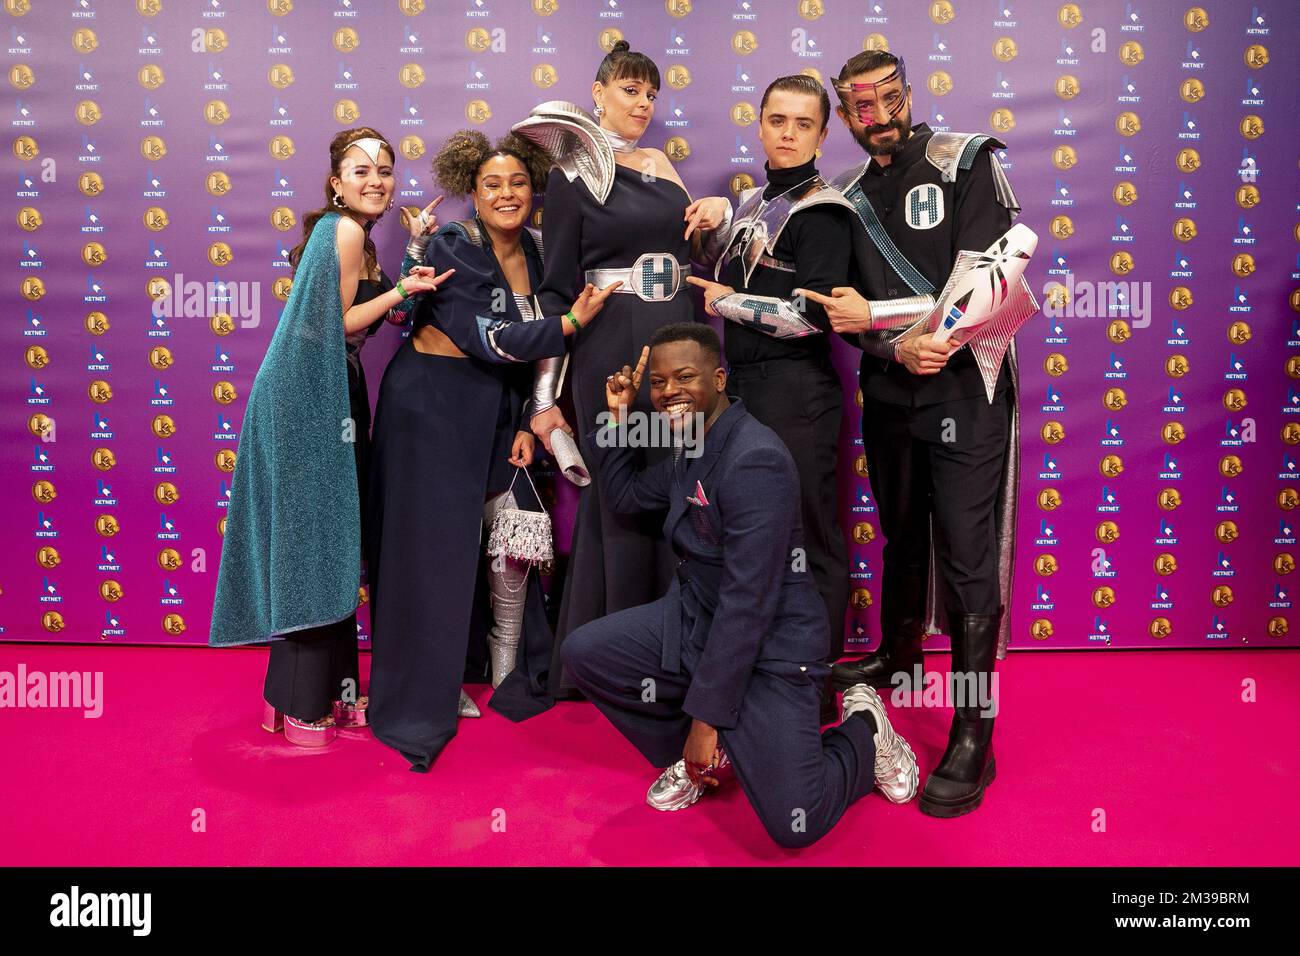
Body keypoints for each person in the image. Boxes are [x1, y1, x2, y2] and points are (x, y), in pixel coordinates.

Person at [561, 324, 918, 849]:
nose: (668, 393)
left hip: (770, 648)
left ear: (720, 377)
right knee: (585, 651)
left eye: (685, 377)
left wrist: (706, 718)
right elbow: (628, 496)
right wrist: (616, 417)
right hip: (696, 620)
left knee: (796, 819)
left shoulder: (755, 458)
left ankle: (867, 731)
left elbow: (748, 604)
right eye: (657, 383)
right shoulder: (692, 442)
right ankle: (702, 756)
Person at [806, 50, 1021, 817]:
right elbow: (846, 309)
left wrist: (922, 333)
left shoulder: (966, 159)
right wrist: (893, 343)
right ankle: (900, 660)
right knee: (901, 534)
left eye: (886, 100)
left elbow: (996, 276)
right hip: (891, 390)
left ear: (906, 93)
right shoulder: (846, 196)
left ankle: (974, 726)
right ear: (845, 113)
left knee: (965, 558)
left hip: (967, 384)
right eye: (859, 108)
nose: (877, 117)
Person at [366, 130, 619, 773]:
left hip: (489, 406)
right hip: (428, 405)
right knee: (428, 548)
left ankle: (485, 664)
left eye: (516, 183)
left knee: (497, 539)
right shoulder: (456, 245)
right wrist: (568, 325)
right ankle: (425, 689)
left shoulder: (536, 252)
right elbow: (493, 336)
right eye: (491, 185)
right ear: (472, 196)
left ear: (534, 191)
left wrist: (526, 420)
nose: (506, 193)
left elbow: (522, 361)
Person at [209, 127, 448, 747]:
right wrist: (403, 289)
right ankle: (300, 705)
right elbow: (340, 322)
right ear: (336, 182)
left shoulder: (361, 240)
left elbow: (387, 312)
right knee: (314, 543)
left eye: (385, 170)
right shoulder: (341, 231)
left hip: (330, 393)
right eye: (360, 169)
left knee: (330, 540)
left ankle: (324, 696)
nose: (376, 179)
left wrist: (415, 252)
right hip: (305, 401)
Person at [511, 40, 732, 697]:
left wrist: (719, 215)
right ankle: (610, 649)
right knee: (623, 487)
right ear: (598, 93)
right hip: (609, 347)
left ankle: (682, 641)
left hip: (682, 338)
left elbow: (703, 248)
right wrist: (544, 396)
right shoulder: (571, 175)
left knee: (684, 483)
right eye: (630, 90)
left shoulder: (663, 162)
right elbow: (554, 293)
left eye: (651, 94)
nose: (642, 103)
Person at [685, 74, 853, 725]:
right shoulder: (753, 201)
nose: (787, 133)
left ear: (821, 132)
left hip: (799, 395)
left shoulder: (826, 209)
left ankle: (814, 695)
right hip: (746, 395)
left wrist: (725, 301)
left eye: (802, 123)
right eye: (777, 120)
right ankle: (761, 677)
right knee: (749, 541)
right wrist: (713, 217)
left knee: (810, 541)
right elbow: (735, 253)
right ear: (759, 123)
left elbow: (813, 318)